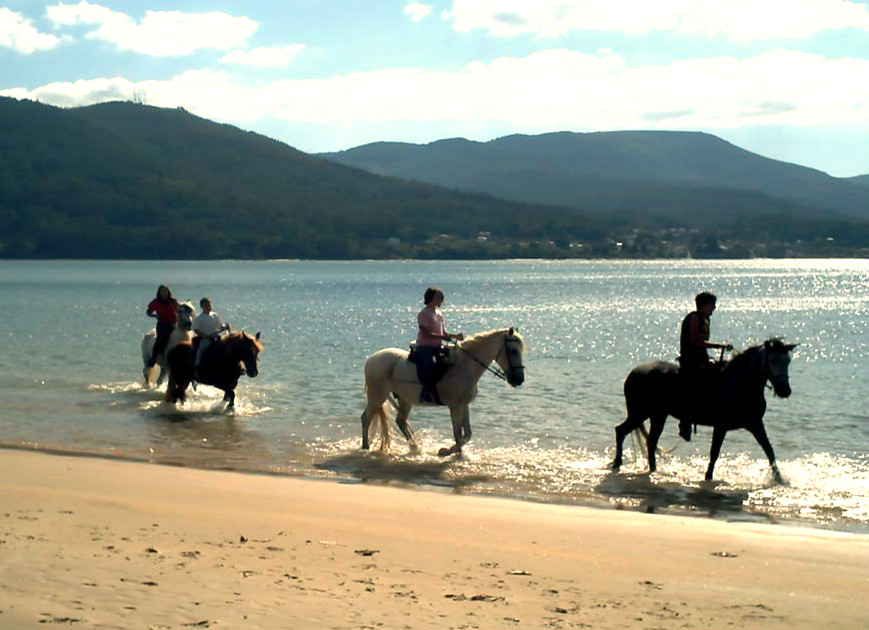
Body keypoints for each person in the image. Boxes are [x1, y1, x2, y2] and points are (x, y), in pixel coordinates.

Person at [677, 292, 732, 441]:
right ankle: (686, 420)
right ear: (704, 305)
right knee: (698, 383)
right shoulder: (694, 318)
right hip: (690, 359)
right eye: (712, 305)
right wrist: (718, 345)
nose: (714, 308)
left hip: (702, 358)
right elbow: (695, 342)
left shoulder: (705, 318)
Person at [415, 287, 463, 404]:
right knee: (430, 365)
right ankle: (425, 393)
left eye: (441, 297)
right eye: (439, 296)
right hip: (425, 347)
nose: (442, 299)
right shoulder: (424, 313)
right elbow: (426, 334)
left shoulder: (439, 314)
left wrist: (455, 336)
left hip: (437, 346)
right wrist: (443, 337)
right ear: (432, 297)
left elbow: (443, 333)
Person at [192, 297, 230, 377]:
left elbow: (220, 326)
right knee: (200, 351)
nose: (209, 306)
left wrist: (225, 326)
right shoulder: (199, 318)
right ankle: (196, 368)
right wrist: (205, 336)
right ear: (202, 306)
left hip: (216, 337)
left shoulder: (215, 315)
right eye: (206, 304)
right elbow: (196, 330)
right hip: (205, 339)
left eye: (209, 304)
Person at [146, 285, 179, 368]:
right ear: (159, 293)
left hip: (173, 324)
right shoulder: (156, 302)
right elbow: (148, 312)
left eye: (165, 291)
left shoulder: (173, 301)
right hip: (162, 325)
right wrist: (155, 316)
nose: (164, 293)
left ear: (168, 292)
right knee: (160, 340)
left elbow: (179, 310)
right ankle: (153, 359)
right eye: (162, 291)